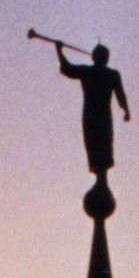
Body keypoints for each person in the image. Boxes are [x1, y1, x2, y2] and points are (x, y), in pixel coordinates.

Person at [57, 42, 130, 179]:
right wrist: (126, 110)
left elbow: (67, 68)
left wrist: (59, 51)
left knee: (96, 144)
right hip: (101, 116)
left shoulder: (89, 71)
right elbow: (120, 95)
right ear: (106, 58)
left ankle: (100, 177)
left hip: (92, 115)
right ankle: (101, 177)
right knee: (101, 144)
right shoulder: (111, 74)